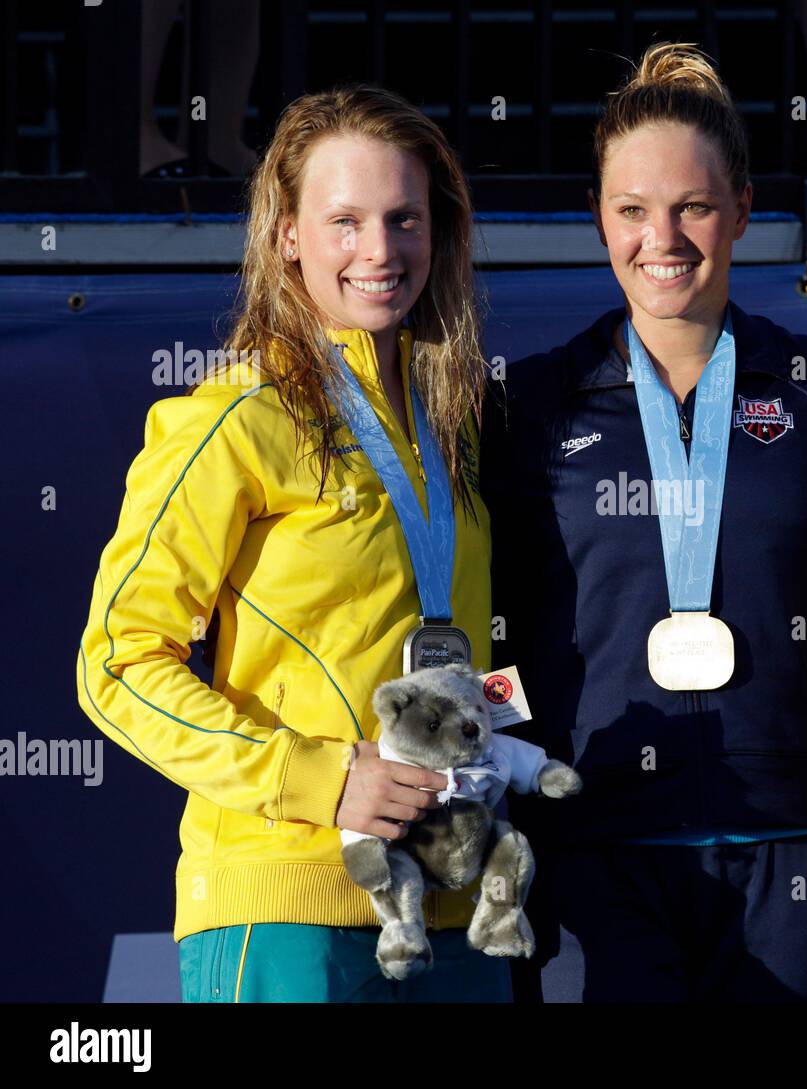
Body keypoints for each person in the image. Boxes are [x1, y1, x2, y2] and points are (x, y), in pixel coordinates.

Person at [74, 84, 508, 1002]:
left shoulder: (456, 431)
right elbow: (114, 662)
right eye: (343, 221)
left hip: (446, 913)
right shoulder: (232, 419)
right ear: (287, 236)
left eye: (404, 218)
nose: (379, 251)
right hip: (288, 916)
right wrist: (318, 777)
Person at [480, 42, 807, 1002]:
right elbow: (483, 622)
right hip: (595, 857)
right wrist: (515, 802)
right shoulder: (531, 406)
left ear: (741, 209)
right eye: (632, 210)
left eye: (694, 206)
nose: (664, 237)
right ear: (598, 219)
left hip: (794, 850)